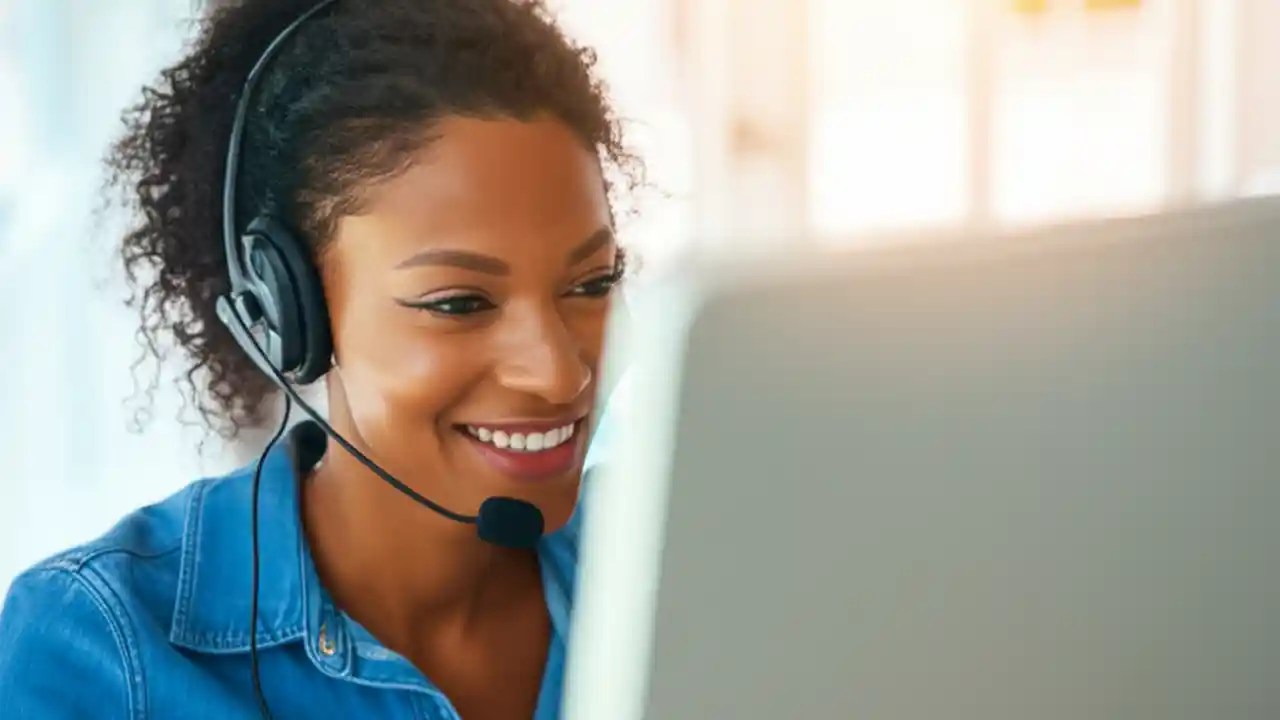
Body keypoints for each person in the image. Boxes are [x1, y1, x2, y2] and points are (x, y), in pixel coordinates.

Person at [0, 0, 636, 717]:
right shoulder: (99, 647)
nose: (560, 373)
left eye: (592, 284)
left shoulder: (686, 568)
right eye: (459, 303)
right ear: (287, 312)